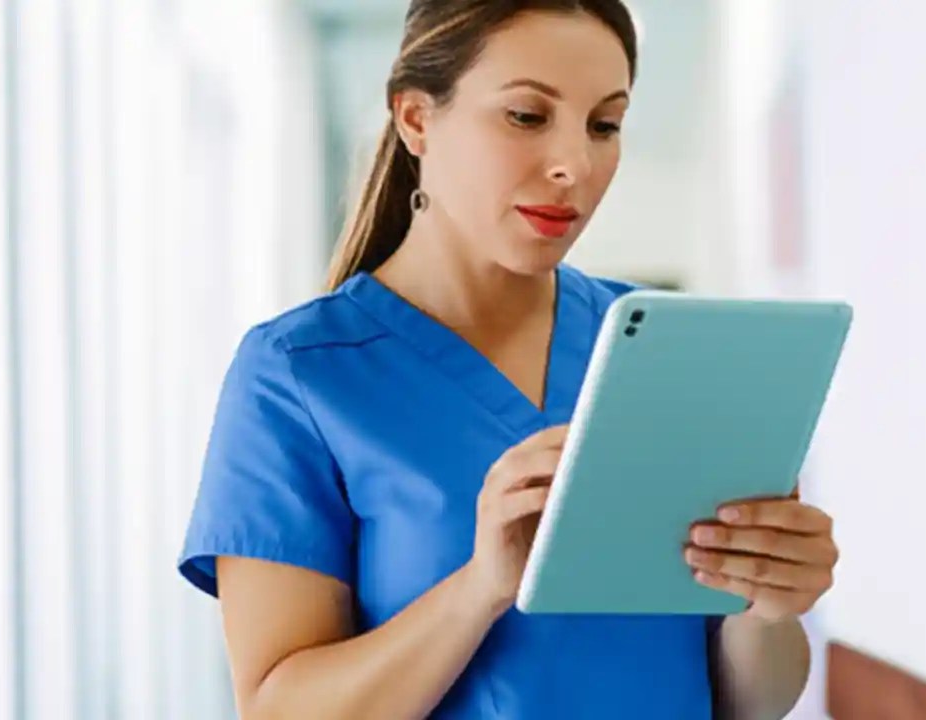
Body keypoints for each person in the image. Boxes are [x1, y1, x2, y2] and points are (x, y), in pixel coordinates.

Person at [178, 1, 840, 718]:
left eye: (604, 125)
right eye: (527, 116)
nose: (573, 166)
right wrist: (480, 588)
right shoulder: (298, 375)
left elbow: (745, 704)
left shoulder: (669, 351)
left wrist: (769, 606)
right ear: (416, 120)